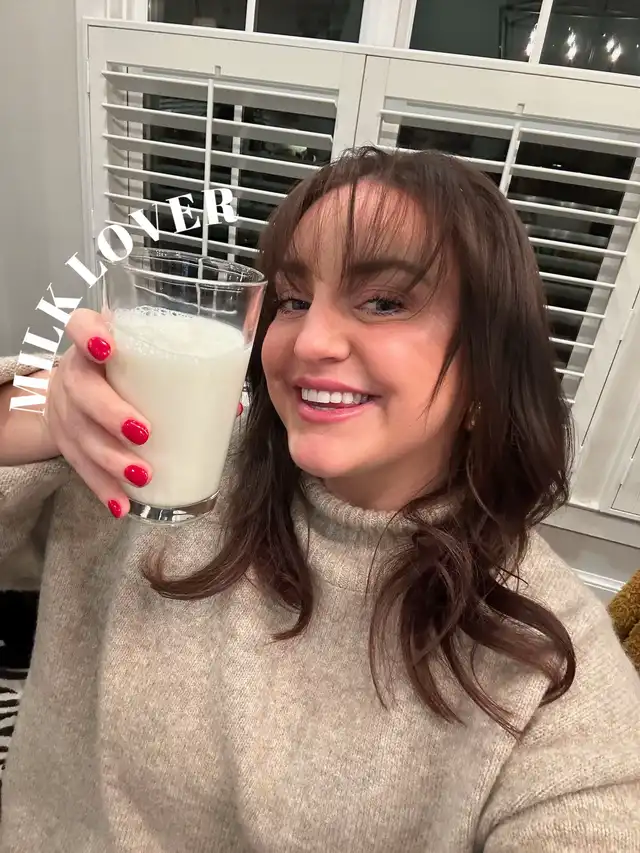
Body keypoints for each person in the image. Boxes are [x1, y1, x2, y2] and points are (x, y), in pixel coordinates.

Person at [0, 146, 639, 852]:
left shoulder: (546, 659)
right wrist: (34, 409)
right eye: (294, 300)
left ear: (490, 363)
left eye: (385, 302)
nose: (311, 341)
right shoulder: (153, 457)